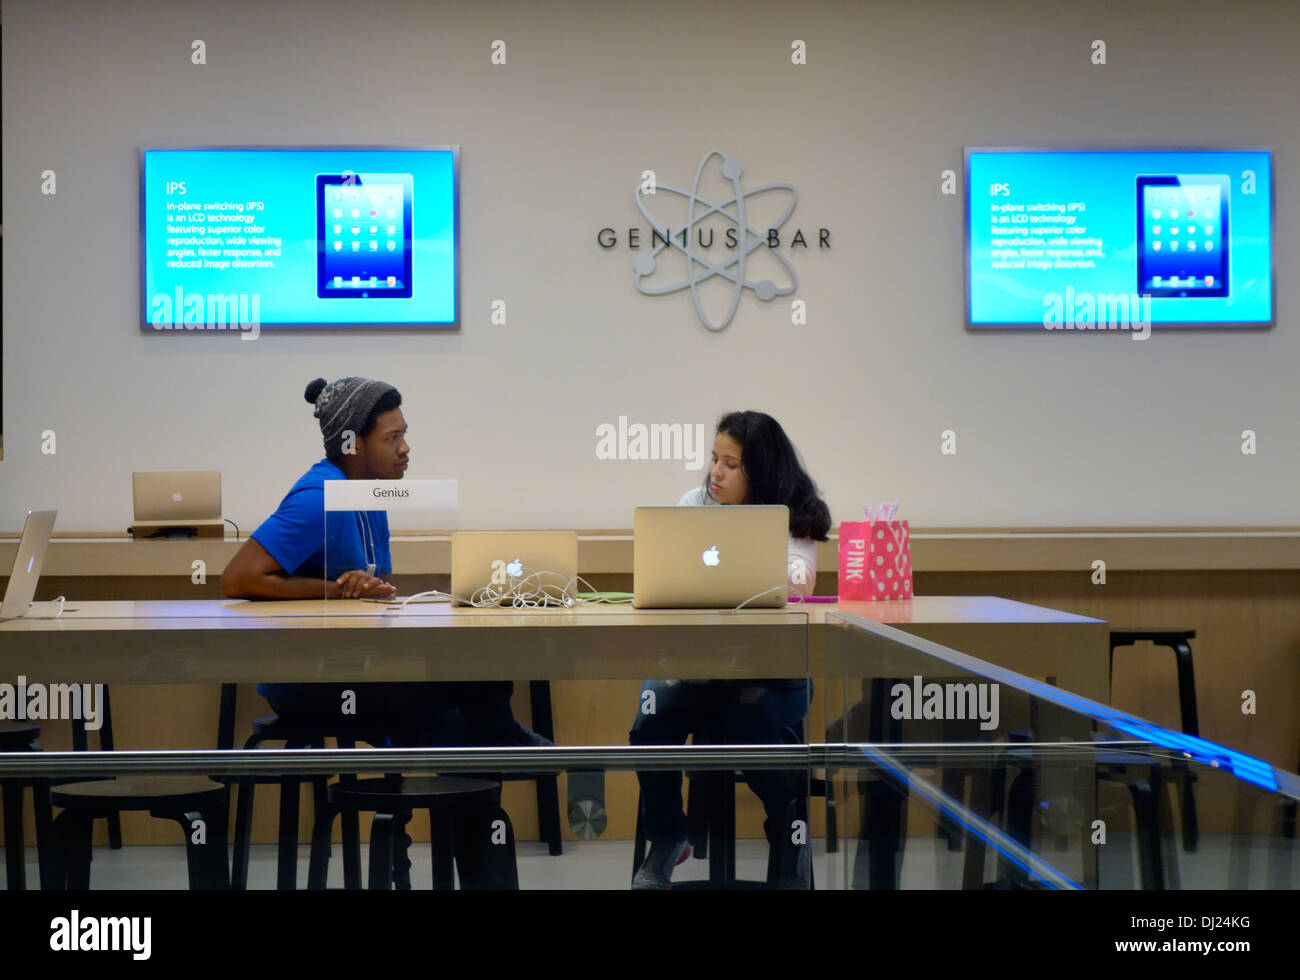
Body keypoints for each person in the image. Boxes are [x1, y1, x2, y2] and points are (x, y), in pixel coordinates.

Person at [221, 376, 546, 887]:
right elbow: (237, 577)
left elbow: (379, 587)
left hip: (357, 666)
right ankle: (431, 844)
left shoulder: (369, 496)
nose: (405, 448)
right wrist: (332, 589)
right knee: (457, 728)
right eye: (392, 437)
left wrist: (368, 588)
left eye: (404, 434)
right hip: (310, 683)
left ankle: (436, 821)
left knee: (466, 697)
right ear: (353, 444)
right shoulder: (318, 498)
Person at [629, 410, 831, 889]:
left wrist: (745, 547)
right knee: (649, 715)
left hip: (774, 677)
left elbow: (800, 580)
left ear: (759, 470)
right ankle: (669, 839)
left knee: (748, 717)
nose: (716, 472)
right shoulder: (693, 504)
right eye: (715, 459)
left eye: (732, 464)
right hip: (698, 671)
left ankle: (789, 835)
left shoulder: (793, 512)